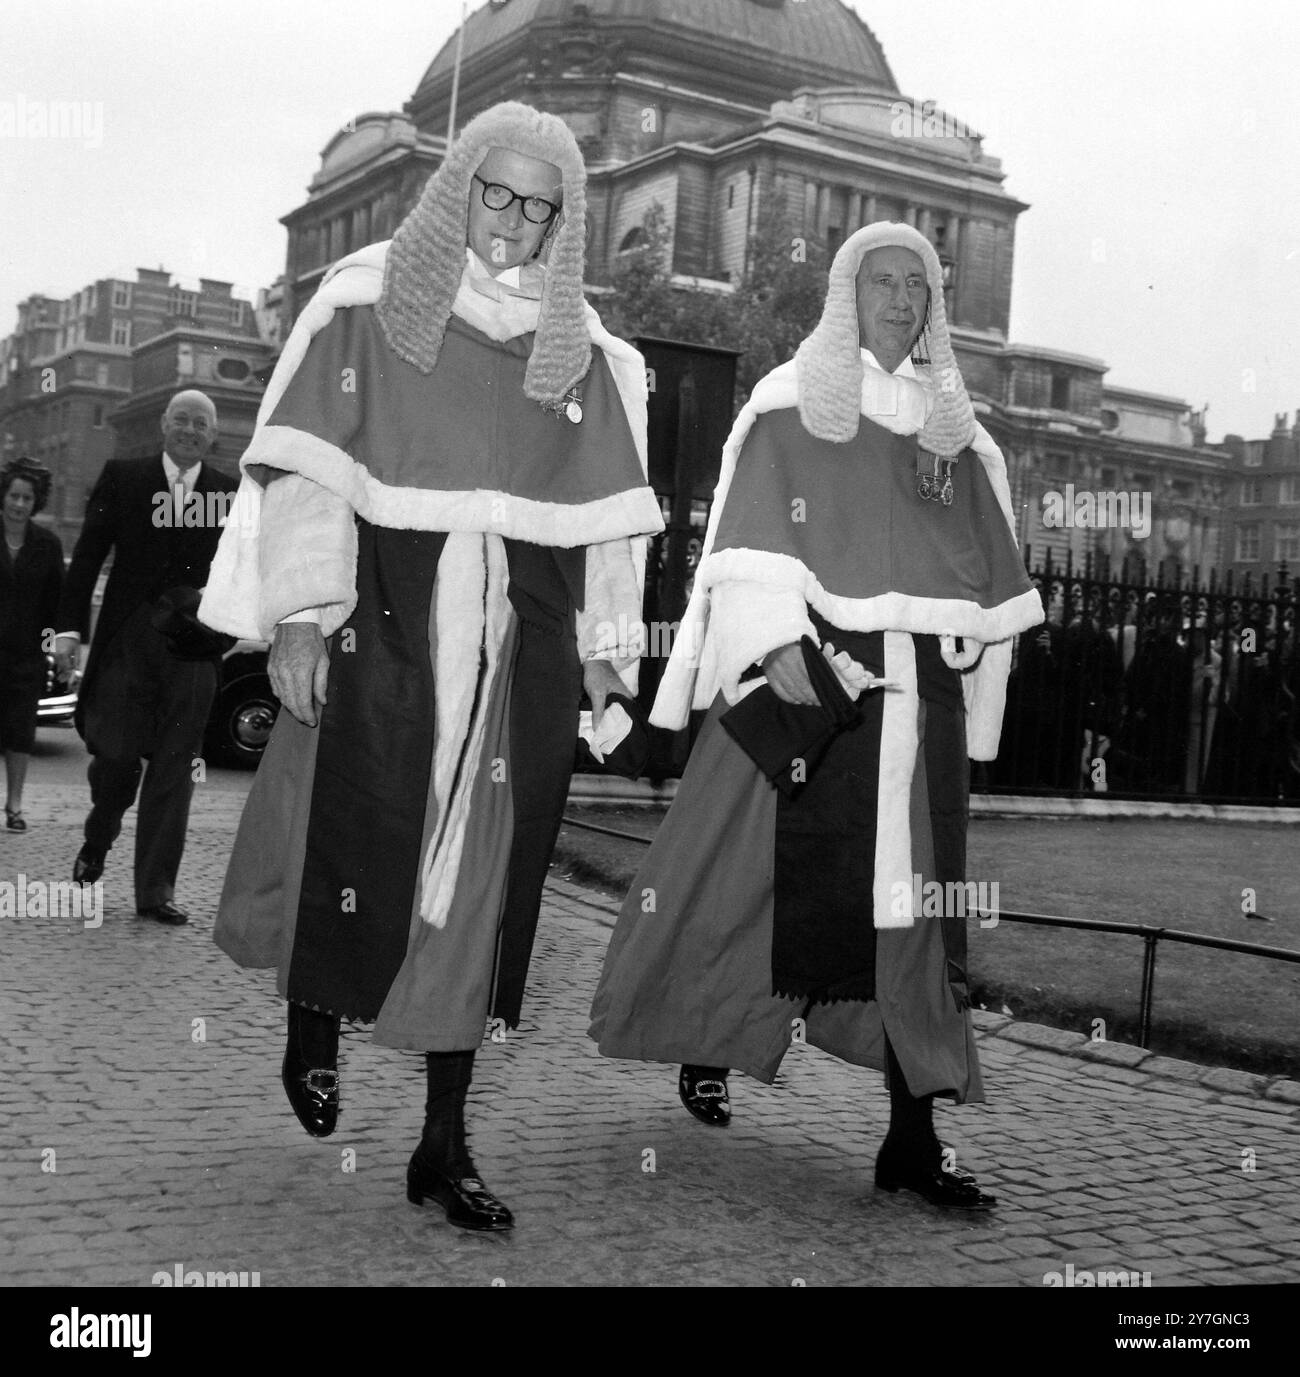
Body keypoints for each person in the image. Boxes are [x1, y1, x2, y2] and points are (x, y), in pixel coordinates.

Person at [198, 102, 661, 1232]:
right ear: (460, 190)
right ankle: (316, 1018)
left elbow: (608, 526)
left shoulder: (586, 350)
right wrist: (301, 619)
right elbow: (308, 473)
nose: (511, 221)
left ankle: (442, 1142)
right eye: (494, 194)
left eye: (537, 205)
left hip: (520, 652)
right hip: (387, 618)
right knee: (352, 838)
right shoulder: (368, 301)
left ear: (564, 220)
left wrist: (607, 658)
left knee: (491, 890)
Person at [589, 222, 1043, 1210]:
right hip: (807, 687)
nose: (898, 299)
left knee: (914, 913)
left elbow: (984, 586)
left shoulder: (953, 434)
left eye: (915, 287)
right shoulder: (792, 406)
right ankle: (706, 1037)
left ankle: (909, 1141)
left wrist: (964, 650)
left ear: (931, 306)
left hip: (913, 708)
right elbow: (748, 547)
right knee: (740, 880)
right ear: (847, 294)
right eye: (880, 281)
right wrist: (774, 646)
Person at [53, 391, 238, 922]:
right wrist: (67, 630)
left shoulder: (230, 492)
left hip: (193, 646)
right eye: (180, 419)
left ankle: (155, 893)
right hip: (127, 641)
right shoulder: (123, 476)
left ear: (212, 435)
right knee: (114, 755)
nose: (188, 429)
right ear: (163, 424)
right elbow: (87, 555)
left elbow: (241, 574)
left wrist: (220, 639)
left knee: (175, 768)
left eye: (200, 423)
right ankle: (99, 835)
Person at [0, 458, 64, 830]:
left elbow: (55, 605)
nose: (19, 504)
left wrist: (49, 650)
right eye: (13, 496)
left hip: (27, 657)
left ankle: (15, 805)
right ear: (4, 496)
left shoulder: (48, 545)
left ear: (35, 502)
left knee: (20, 733)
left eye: (27, 498)